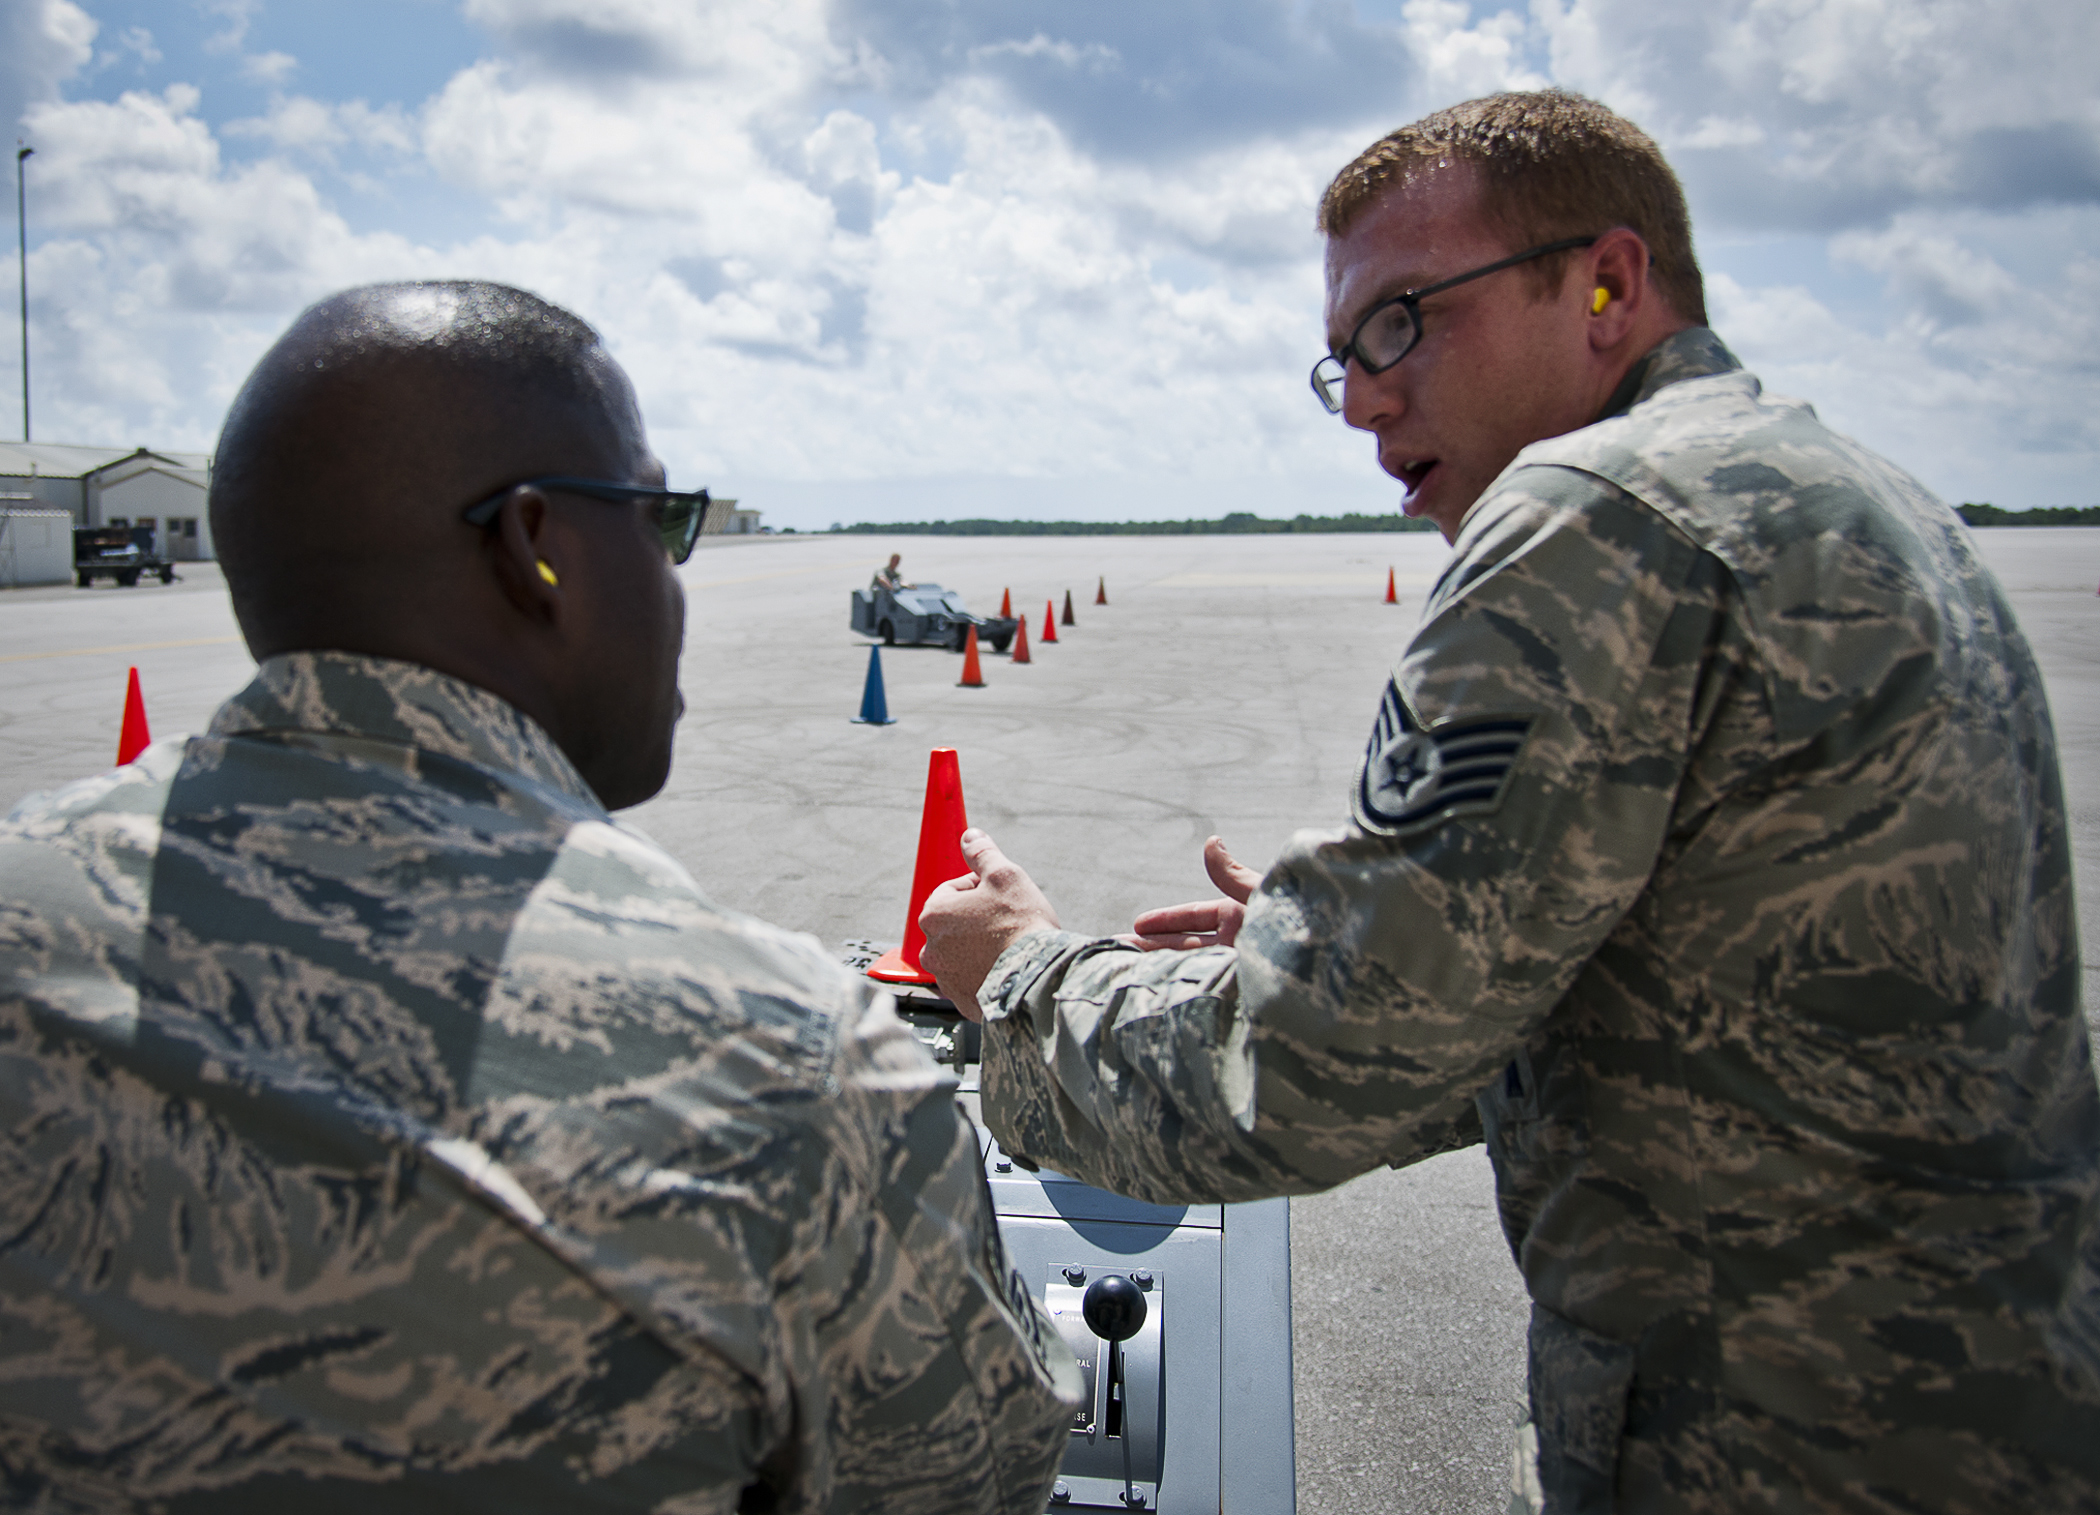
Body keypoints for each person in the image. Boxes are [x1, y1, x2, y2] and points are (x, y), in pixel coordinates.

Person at [920, 90, 2100, 1512]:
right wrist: (1372, 935)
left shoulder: (1601, 514)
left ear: (1607, 284)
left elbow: (1300, 1076)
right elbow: (1717, 1005)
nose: (1366, 398)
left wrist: (1022, 977)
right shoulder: (1864, 502)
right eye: (1342, 359)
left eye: (1403, 321)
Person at [0, 281, 1076, 1513]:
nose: (674, 578)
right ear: (534, 547)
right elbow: (977, 1480)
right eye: (661, 520)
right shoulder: (783, 1064)